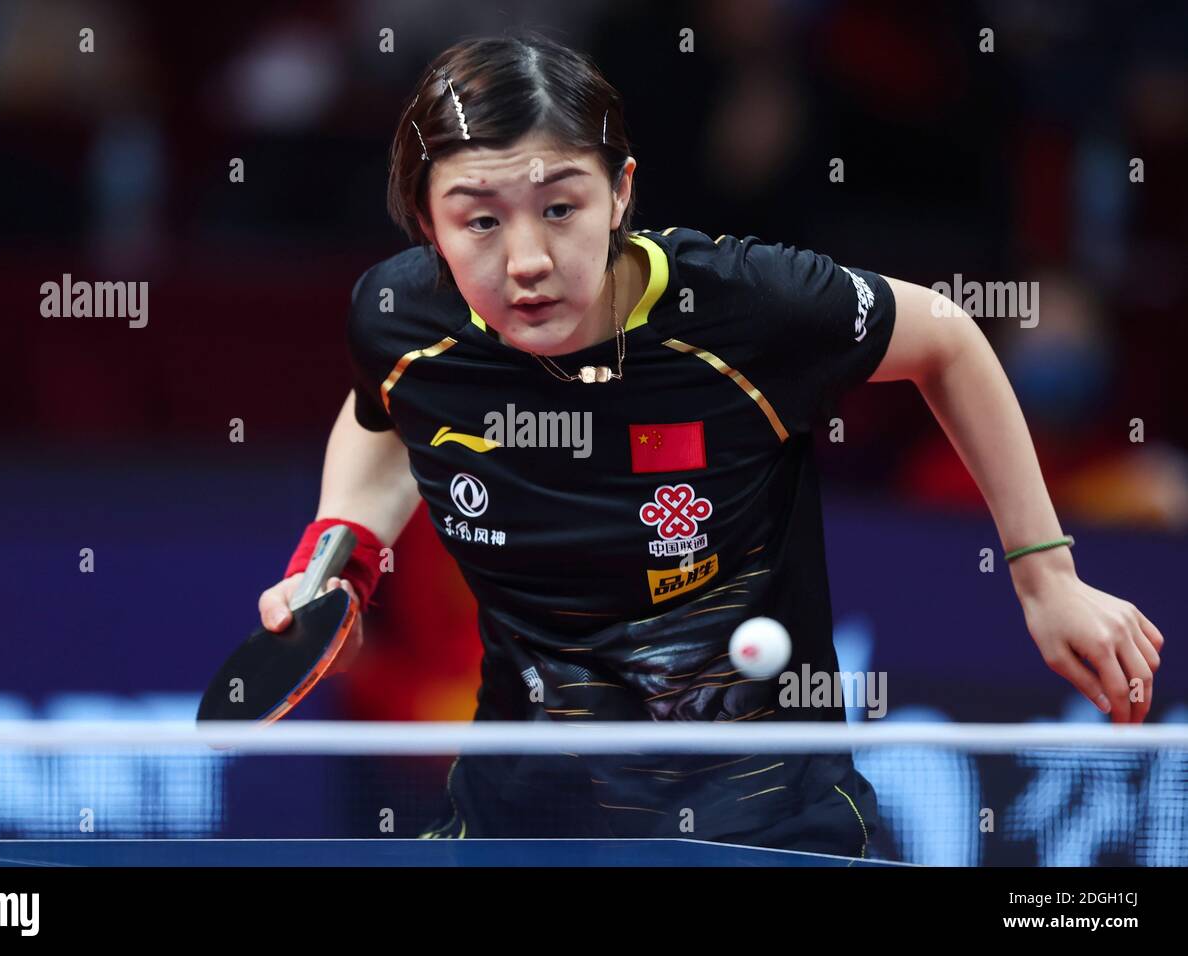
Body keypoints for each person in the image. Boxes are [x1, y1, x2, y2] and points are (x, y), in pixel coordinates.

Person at [257, 32, 1164, 859]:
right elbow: (382, 408)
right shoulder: (400, 317)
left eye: (561, 207)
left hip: (766, 823)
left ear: (620, 192)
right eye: (479, 219)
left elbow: (944, 335)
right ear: (426, 224)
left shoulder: (742, 308)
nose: (527, 258)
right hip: (521, 821)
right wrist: (342, 550)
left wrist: (1046, 576)